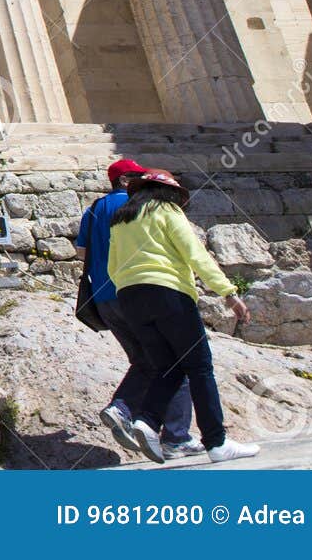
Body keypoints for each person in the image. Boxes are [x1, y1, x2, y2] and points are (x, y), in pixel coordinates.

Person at [107, 169, 258, 464]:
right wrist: (228, 292)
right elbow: (194, 253)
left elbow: (113, 268)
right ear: (167, 192)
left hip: (129, 298)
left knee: (169, 367)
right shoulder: (166, 210)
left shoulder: (121, 219)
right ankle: (216, 442)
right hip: (168, 293)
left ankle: (147, 421)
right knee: (200, 367)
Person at [77, 158, 200, 459]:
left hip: (104, 300)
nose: (145, 183)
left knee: (148, 362)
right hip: (135, 294)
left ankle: (128, 413)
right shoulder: (138, 206)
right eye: (138, 177)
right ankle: (173, 436)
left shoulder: (93, 209)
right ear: (124, 181)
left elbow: (81, 252)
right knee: (176, 362)